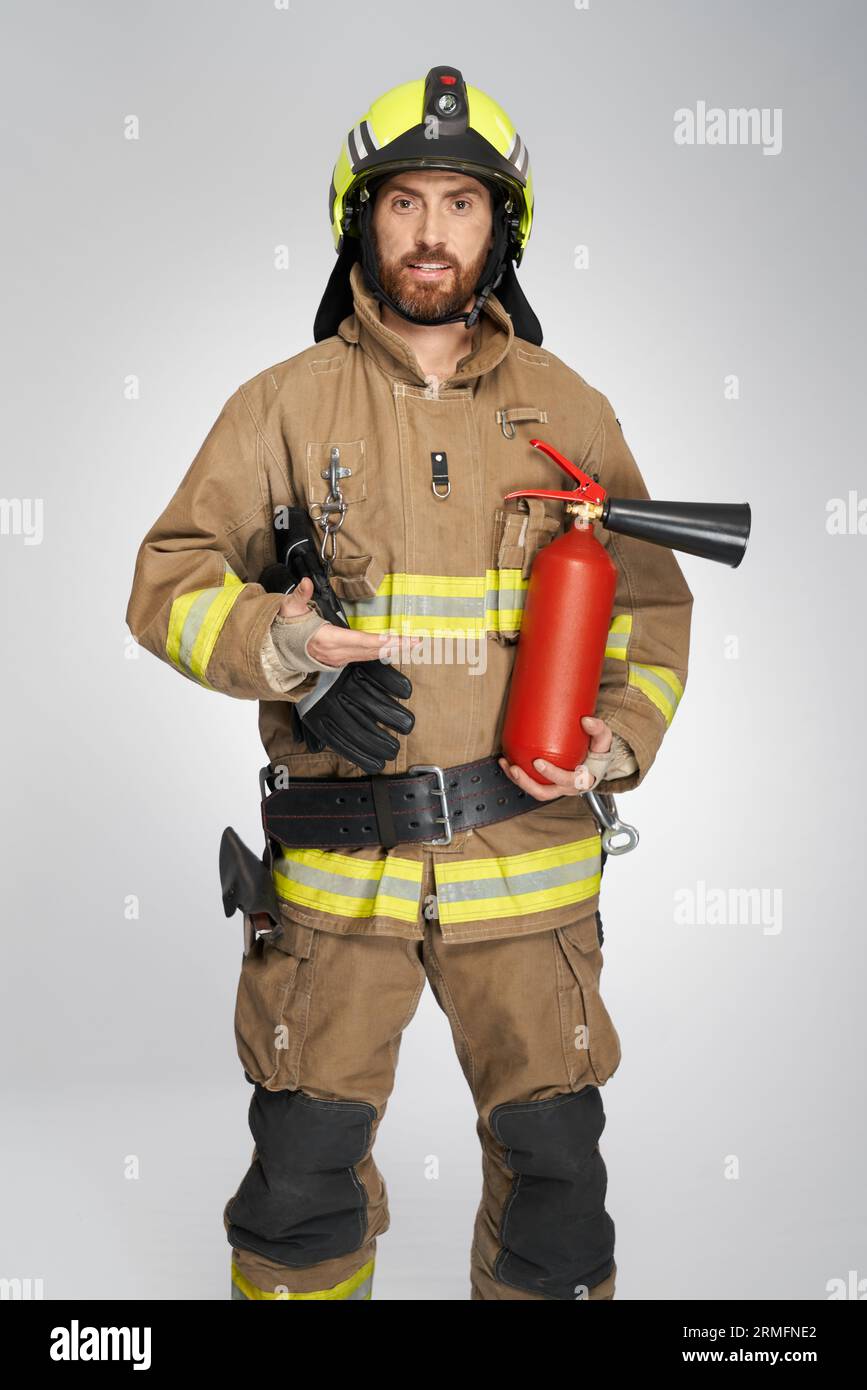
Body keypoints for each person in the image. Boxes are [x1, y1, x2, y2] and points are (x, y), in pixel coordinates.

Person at [125, 65, 693, 1301]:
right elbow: (165, 585)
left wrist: (613, 739)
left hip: (530, 880)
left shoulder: (570, 413)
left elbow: (647, 604)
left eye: (461, 203)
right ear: (360, 220)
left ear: (502, 229)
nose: (431, 230)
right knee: (297, 1192)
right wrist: (280, 642)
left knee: (559, 1203)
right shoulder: (280, 407)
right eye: (404, 203)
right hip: (338, 891)